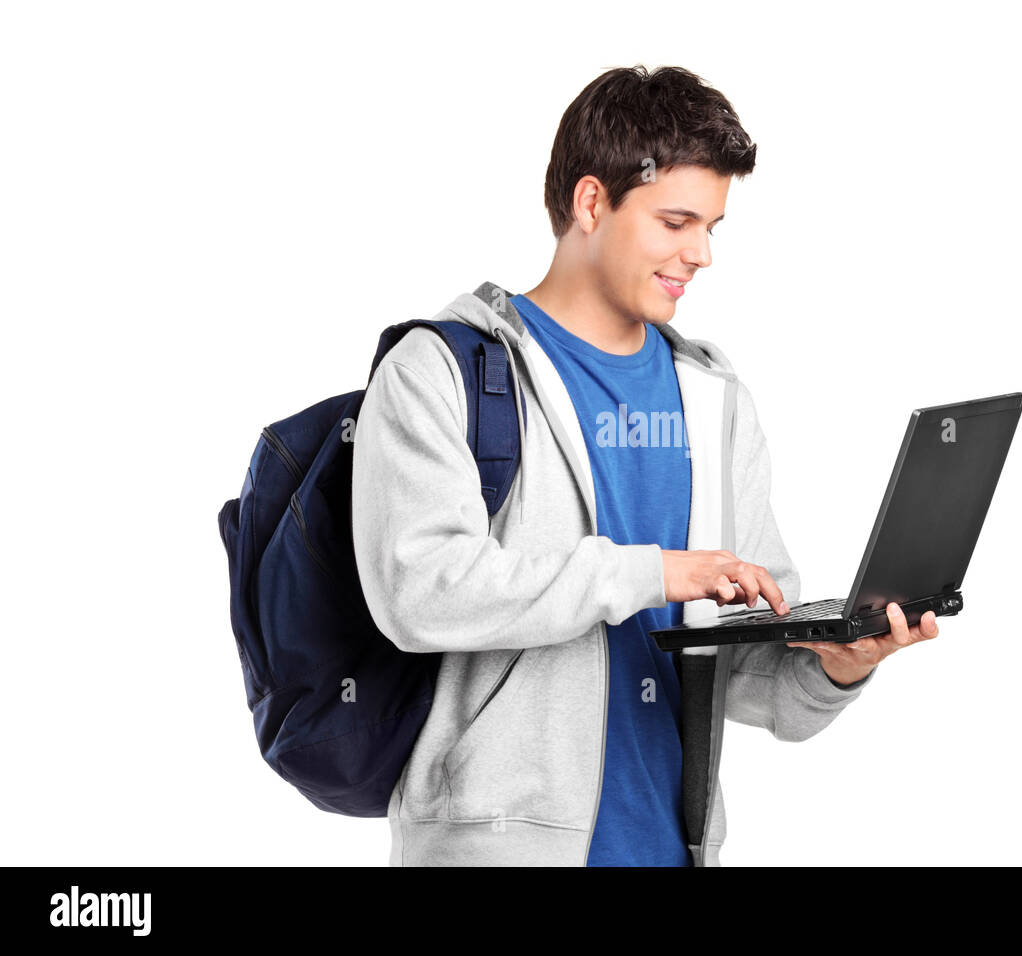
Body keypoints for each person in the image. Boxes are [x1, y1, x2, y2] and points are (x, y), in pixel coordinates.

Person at [351, 64, 939, 867]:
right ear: (592, 203)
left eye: (713, 227)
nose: (701, 253)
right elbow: (418, 592)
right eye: (675, 221)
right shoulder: (440, 370)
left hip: (675, 850)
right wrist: (652, 573)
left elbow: (743, 673)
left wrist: (834, 668)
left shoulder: (713, 396)